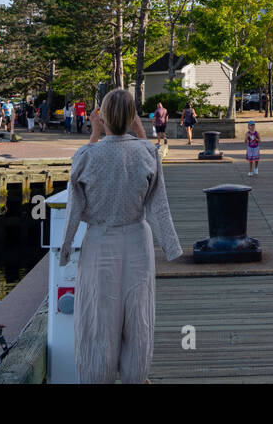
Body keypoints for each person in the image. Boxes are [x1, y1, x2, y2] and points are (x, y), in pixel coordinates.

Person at [58, 88, 181, 384]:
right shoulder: (147, 153)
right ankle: (135, 377)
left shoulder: (88, 155)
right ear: (132, 117)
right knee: (138, 317)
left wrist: (94, 133)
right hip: (138, 240)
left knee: (99, 318)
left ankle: (97, 376)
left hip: (100, 240)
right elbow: (158, 203)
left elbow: (75, 202)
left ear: (102, 117)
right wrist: (171, 246)